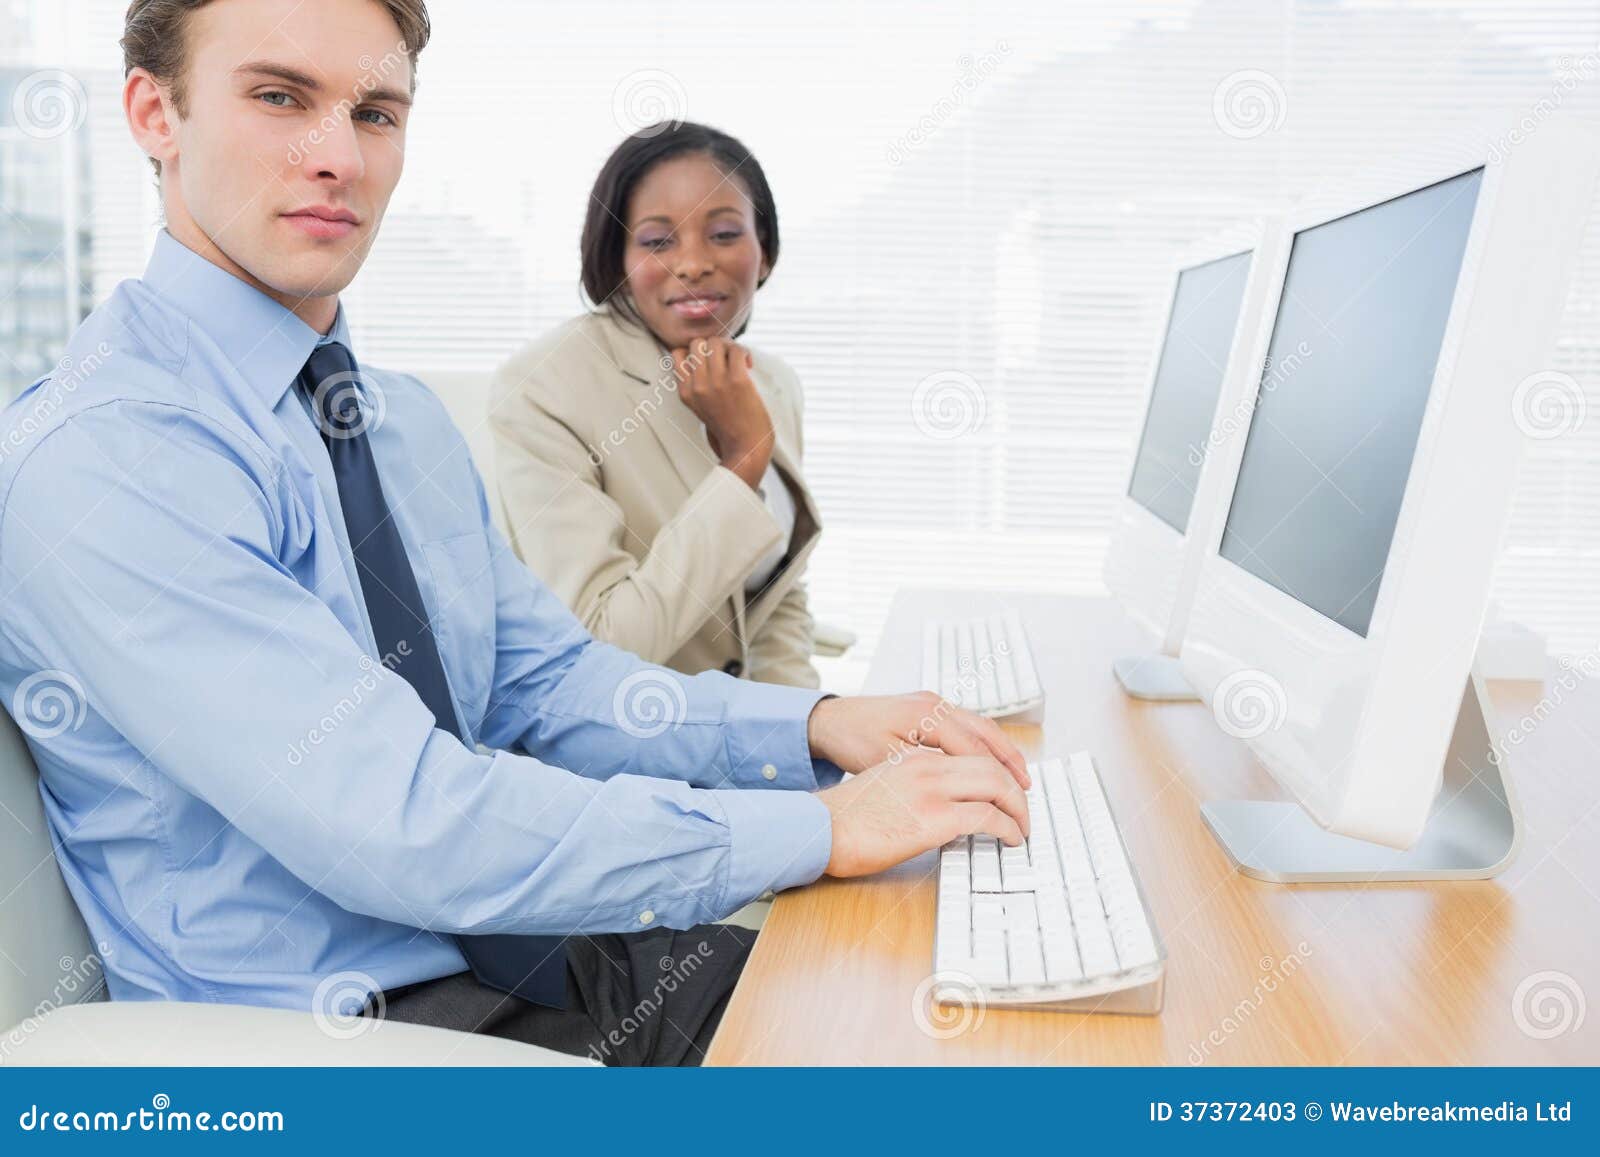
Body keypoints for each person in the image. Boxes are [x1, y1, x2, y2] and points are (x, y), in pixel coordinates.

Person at [0, 0, 1029, 1066]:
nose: (336, 157)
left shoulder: (394, 422)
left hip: (539, 953)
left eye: (375, 112)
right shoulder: (109, 451)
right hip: (349, 1042)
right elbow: (400, 819)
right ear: (152, 111)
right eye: (278, 97)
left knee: (972, 1009)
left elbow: (546, 686)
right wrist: (824, 827)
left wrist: (814, 729)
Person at [491, 123, 822, 689]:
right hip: (618, 754)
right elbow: (606, 644)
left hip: (754, 750)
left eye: (722, 233)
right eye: (656, 241)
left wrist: (809, 738)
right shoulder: (544, 388)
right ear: (617, 256)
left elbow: (775, 600)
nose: (692, 263)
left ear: (764, 253)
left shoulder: (772, 382)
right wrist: (742, 462)